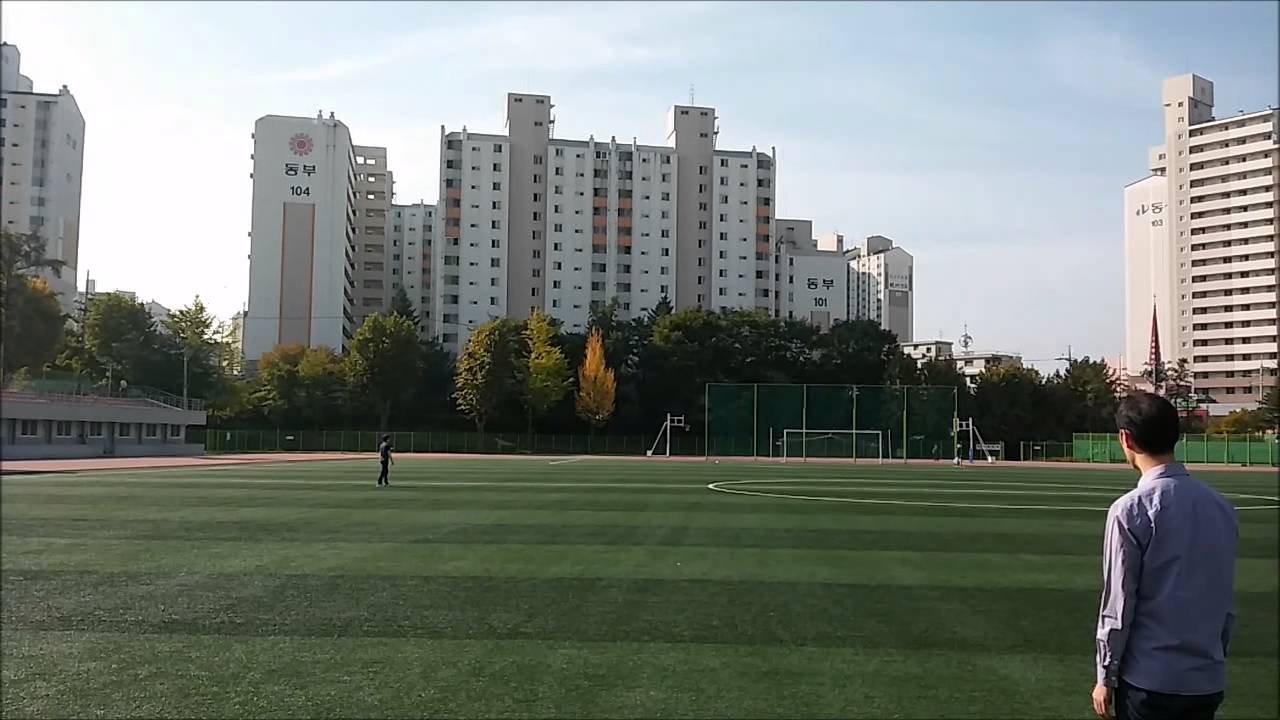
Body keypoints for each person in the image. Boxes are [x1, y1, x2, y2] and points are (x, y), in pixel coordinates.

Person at [1092, 392, 1237, 720]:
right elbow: (1224, 601)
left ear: (1125, 438)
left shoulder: (1129, 510)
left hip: (1150, 681)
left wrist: (1105, 675)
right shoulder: (1221, 507)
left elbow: (1119, 605)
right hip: (1205, 679)